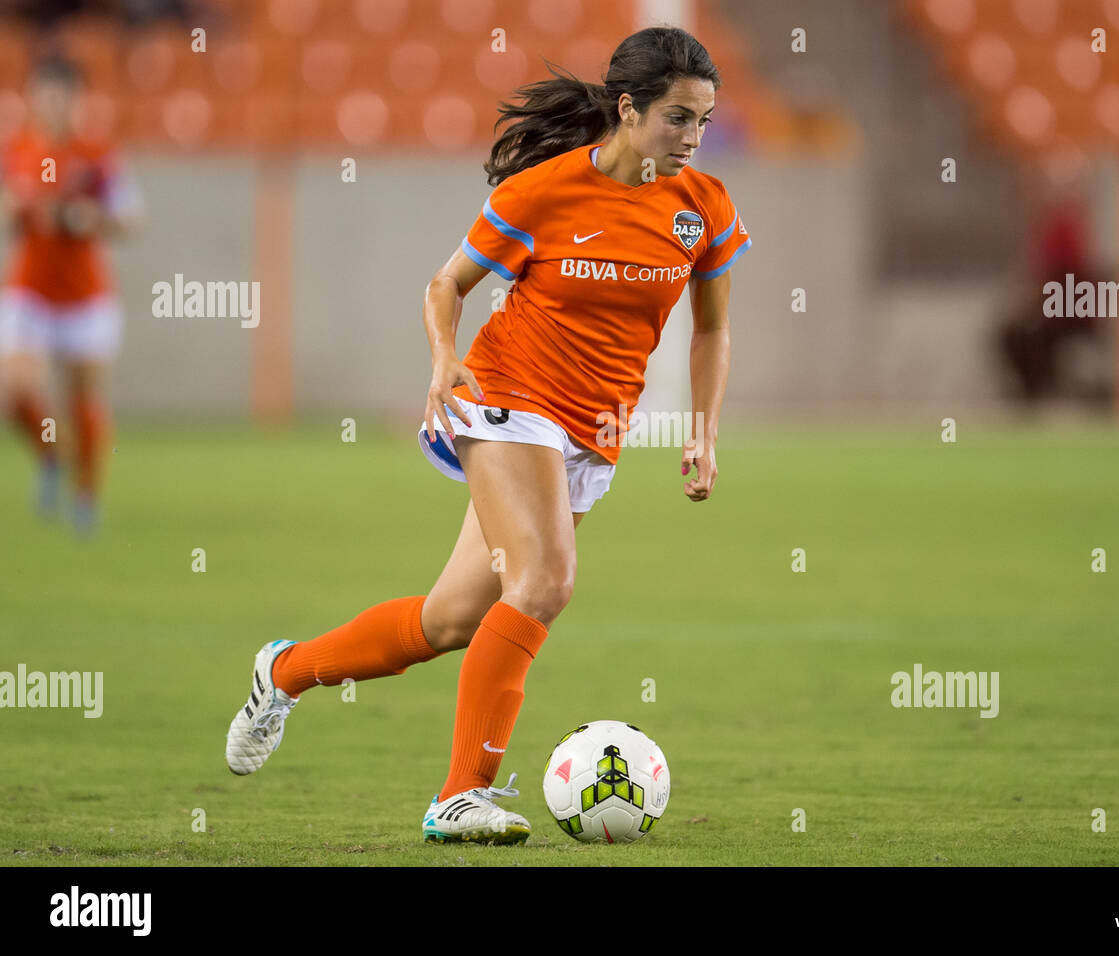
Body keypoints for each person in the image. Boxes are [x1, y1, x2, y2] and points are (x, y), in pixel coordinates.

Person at [225, 26, 752, 845]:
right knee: (543, 583)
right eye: (678, 118)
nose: (692, 138)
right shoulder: (542, 193)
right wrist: (442, 361)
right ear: (628, 109)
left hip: (594, 430)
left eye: (703, 122)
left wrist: (705, 433)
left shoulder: (704, 208)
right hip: (507, 398)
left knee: (447, 623)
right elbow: (448, 285)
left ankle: (282, 671)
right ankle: (458, 797)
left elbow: (712, 332)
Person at [1, 55, 142, 534]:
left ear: (76, 100)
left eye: (62, 95)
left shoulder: (94, 155)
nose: (52, 104)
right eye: (44, 93)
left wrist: (88, 218)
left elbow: (130, 219)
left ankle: (85, 495)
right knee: (13, 387)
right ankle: (49, 455)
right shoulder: (16, 148)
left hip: (84, 295)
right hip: (30, 290)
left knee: (83, 398)